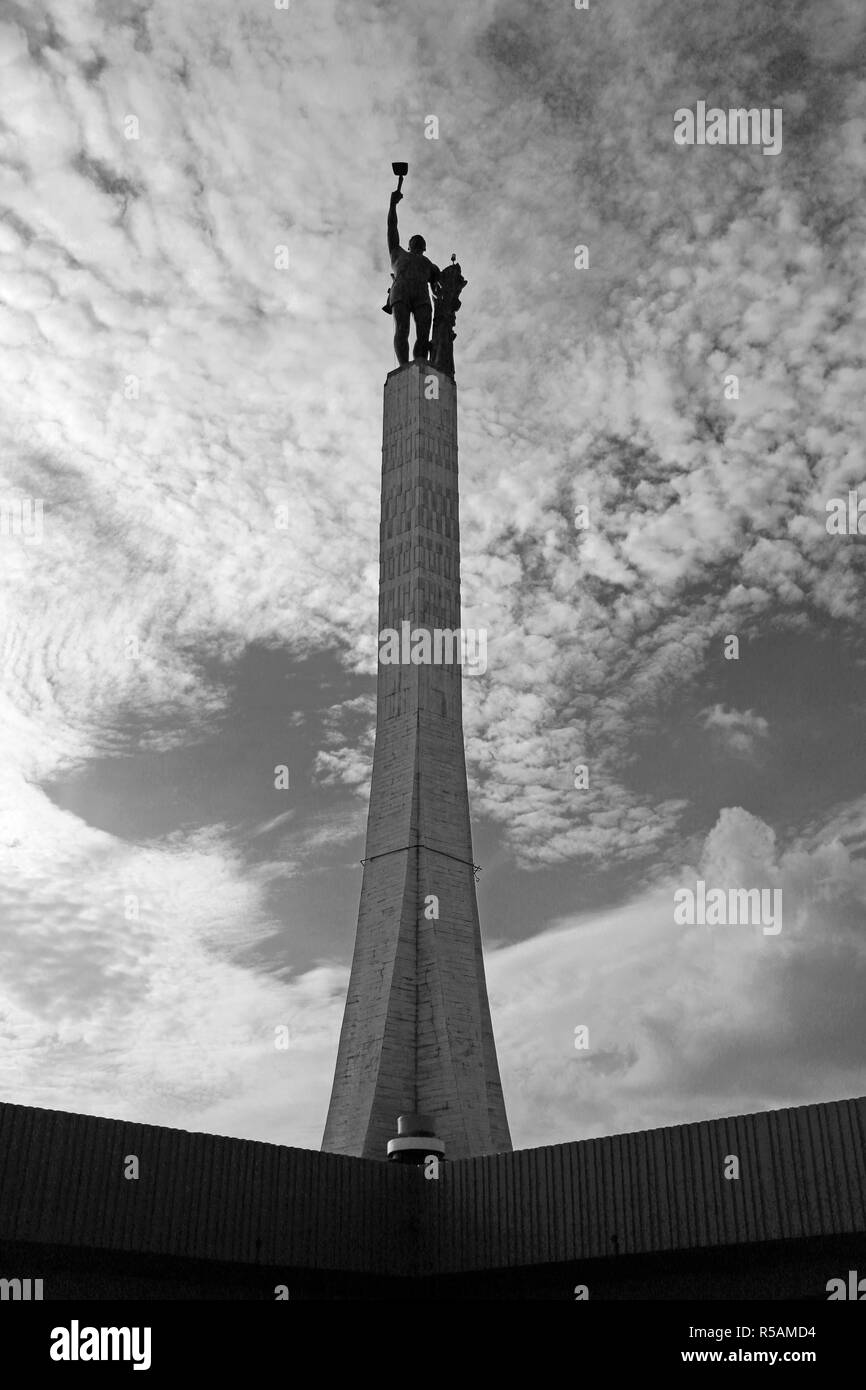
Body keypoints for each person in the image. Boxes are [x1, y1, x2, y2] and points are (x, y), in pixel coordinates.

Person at [385, 189, 441, 364]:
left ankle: (420, 363)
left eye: (421, 241)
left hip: (422, 296)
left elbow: (439, 286)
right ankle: (403, 366)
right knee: (402, 330)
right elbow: (392, 227)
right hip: (401, 290)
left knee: (423, 334)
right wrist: (392, 205)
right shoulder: (397, 253)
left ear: (424, 248)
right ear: (408, 246)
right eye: (414, 240)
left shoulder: (430, 265)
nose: (417, 241)